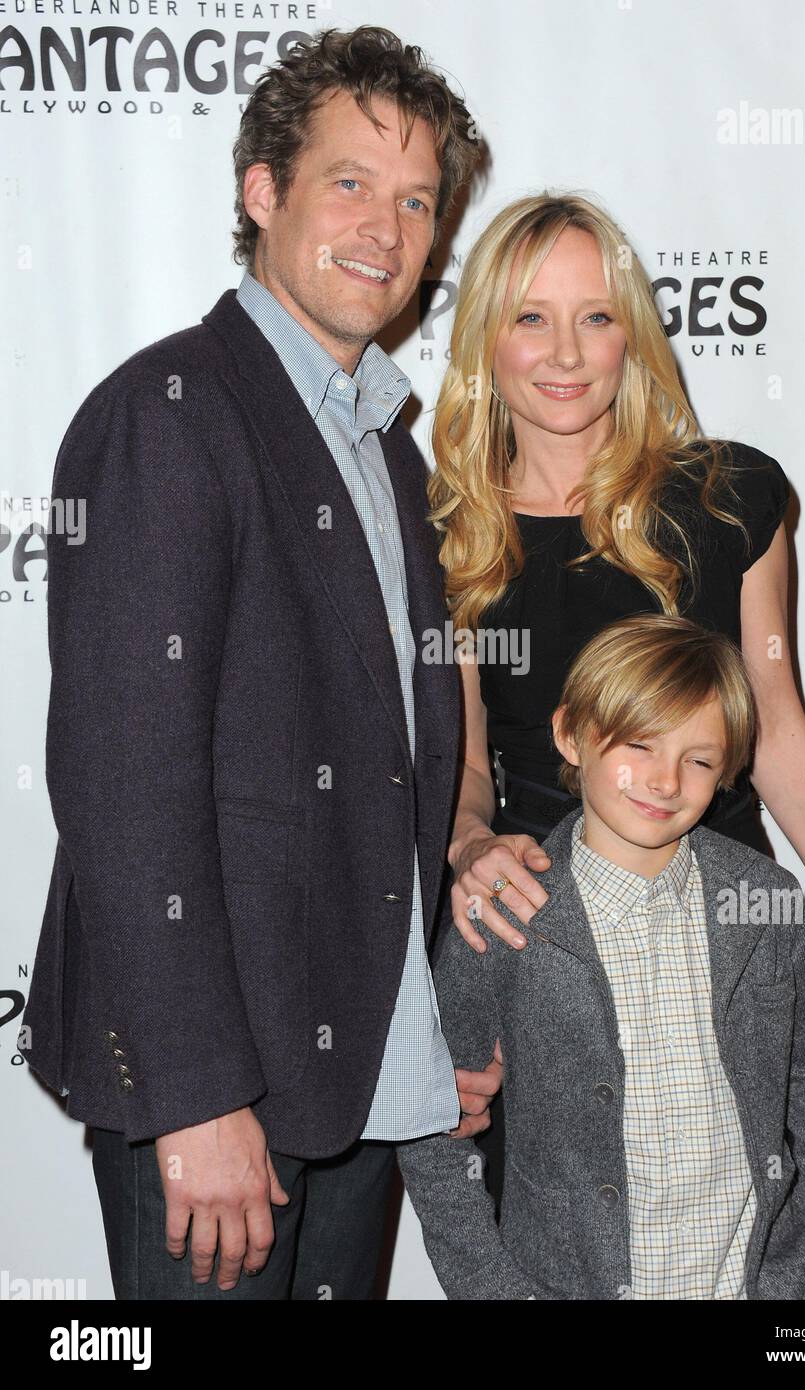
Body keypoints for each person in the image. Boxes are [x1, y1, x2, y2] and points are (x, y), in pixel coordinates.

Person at [18, 25, 499, 1300]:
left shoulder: (391, 450)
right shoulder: (167, 415)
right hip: (221, 1087)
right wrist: (197, 1097)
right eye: (348, 182)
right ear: (261, 193)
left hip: (353, 1068)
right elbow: (125, 786)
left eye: (414, 200)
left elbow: (395, 761)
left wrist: (428, 1022)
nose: (387, 232)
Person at [425, 192, 805, 1209]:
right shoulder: (450, 535)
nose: (566, 351)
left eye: (596, 316)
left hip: (720, 935)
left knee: (744, 1228)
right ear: (485, 339)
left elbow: (771, 722)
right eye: (530, 317)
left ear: (632, 335)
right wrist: (471, 846)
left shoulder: (729, 501)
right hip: (549, 952)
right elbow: (466, 765)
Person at [398, 614, 805, 1300]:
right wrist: (494, 1289)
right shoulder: (502, 909)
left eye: (699, 759)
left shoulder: (766, 900)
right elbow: (433, 1120)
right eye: (638, 745)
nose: (665, 780)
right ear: (569, 734)